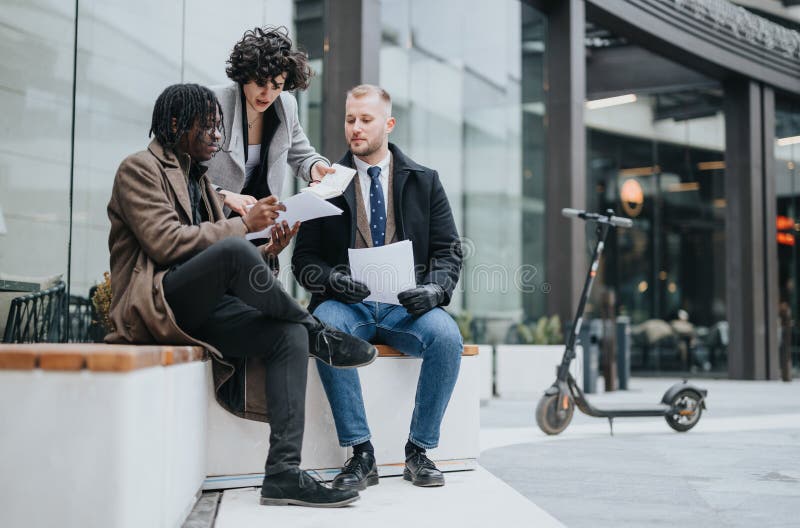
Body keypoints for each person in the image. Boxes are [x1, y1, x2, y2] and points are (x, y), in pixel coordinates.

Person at [105, 83, 378, 508]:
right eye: (209, 127)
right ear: (176, 124)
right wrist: (243, 225)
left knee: (286, 335)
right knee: (237, 251)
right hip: (156, 302)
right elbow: (164, 242)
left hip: (201, 305)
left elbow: (227, 255)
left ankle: (283, 473)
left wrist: (270, 247)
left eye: (219, 127)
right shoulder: (138, 169)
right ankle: (318, 333)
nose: (218, 137)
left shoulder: (198, 179)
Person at [292, 84, 463, 489]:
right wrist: (332, 280)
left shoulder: (425, 181)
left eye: (365, 119)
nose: (355, 127)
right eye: (350, 119)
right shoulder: (327, 185)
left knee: (447, 338)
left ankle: (418, 451)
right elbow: (304, 260)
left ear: (388, 123)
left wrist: (435, 292)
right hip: (347, 306)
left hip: (407, 306)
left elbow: (448, 251)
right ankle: (361, 453)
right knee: (325, 329)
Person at [206, 26, 335, 218]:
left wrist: (315, 166)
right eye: (260, 83)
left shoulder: (287, 106)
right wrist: (221, 195)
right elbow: (182, 170)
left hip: (262, 222)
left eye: (277, 86)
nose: (267, 94)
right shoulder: (212, 102)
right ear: (244, 76)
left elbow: (302, 155)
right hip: (212, 218)